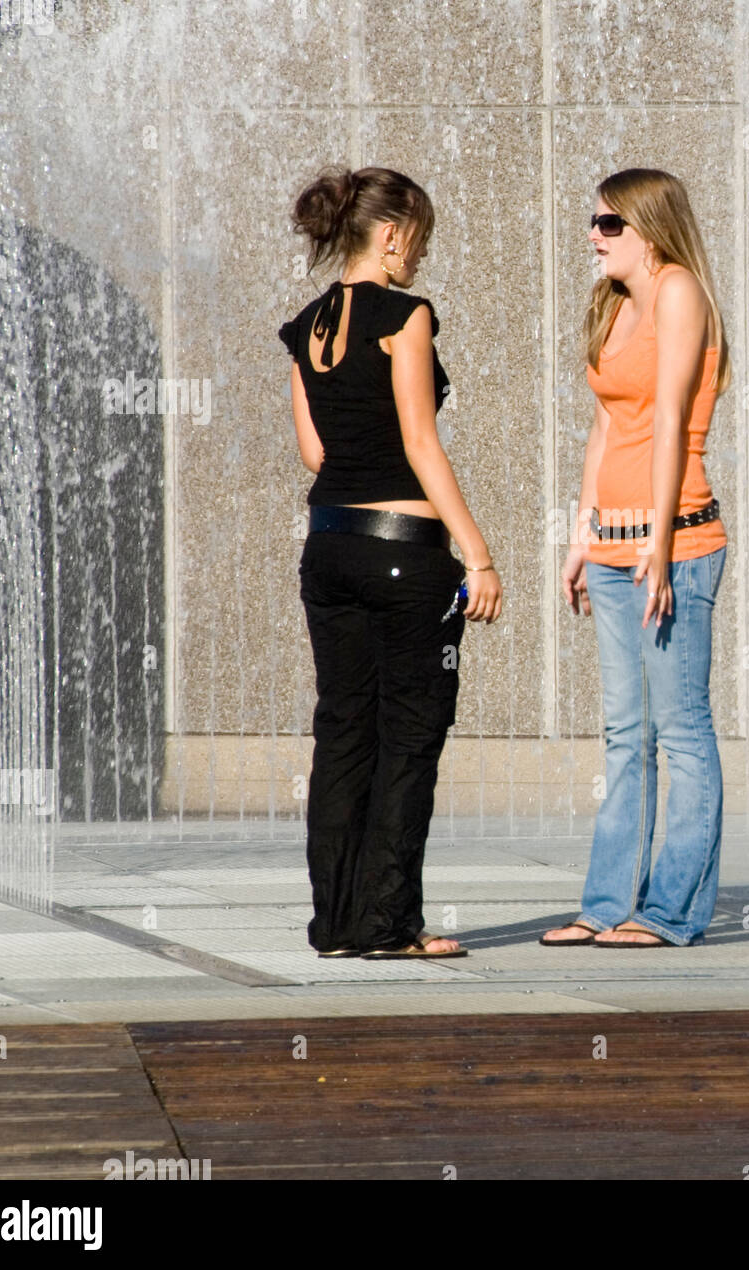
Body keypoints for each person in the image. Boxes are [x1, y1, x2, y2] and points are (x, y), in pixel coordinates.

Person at [280, 166, 502, 960]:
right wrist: (477, 554)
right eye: (420, 243)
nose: (419, 259)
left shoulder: (305, 325)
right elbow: (419, 441)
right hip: (405, 553)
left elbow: (314, 452)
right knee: (408, 736)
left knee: (342, 732)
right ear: (393, 233)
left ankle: (335, 926)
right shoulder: (405, 316)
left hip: (329, 547)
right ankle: (388, 926)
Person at [545, 168, 730, 948]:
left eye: (609, 224)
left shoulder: (680, 291)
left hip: (676, 543)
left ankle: (670, 911)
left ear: (649, 230)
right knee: (627, 734)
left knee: (681, 731)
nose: (594, 234)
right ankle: (606, 903)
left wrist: (656, 539)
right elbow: (603, 430)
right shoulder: (612, 304)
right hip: (617, 545)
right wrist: (582, 535)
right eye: (593, 221)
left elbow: (669, 425)